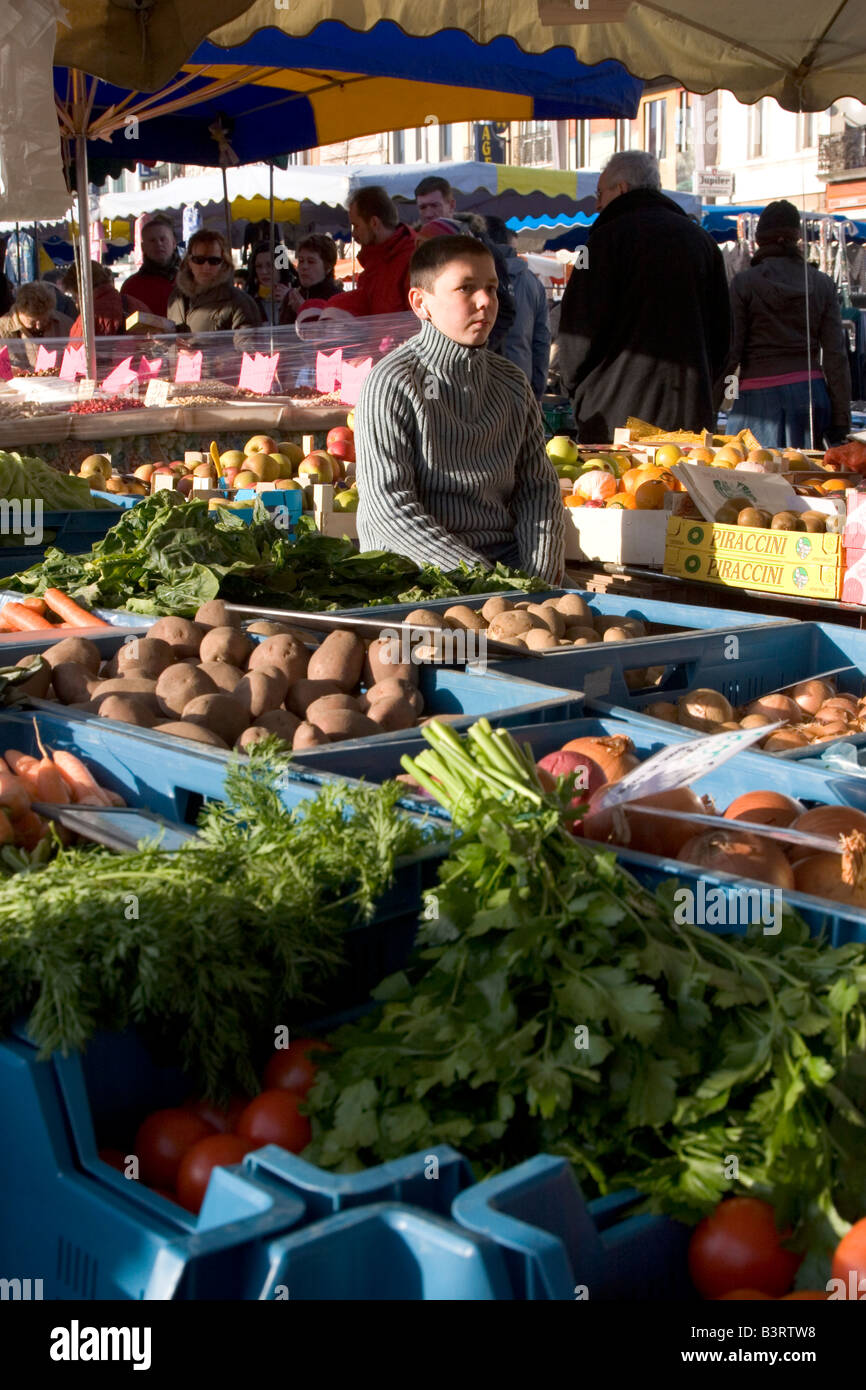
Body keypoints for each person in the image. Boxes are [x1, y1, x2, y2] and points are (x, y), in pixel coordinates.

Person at [355, 234, 565, 582]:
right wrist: (485, 583)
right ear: (420, 303)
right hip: (415, 575)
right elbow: (389, 512)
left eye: (492, 288)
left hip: (508, 571)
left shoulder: (512, 383)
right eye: (466, 288)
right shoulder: (391, 383)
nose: (485, 301)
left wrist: (536, 578)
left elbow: (537, 488)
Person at [557, 150, 731, 441]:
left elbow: (578, 332)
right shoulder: (703, 242)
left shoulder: (600, 243)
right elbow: (723, 338)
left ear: (622, 189)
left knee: (622, 487)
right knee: (680, 486)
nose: (598, 204)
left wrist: (573, 388)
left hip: (615, 417)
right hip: (688, 414)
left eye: (600, 193)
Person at [724, 200, 851, 448]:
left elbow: (731, 355)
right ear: (797, 239)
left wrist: (721, 399)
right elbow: (836, 357)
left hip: (756, 399)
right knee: (807, 482)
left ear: (759, 240)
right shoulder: (822, 283)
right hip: (810, 395)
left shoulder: (744, 284)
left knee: (756, 477)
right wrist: (841, 418)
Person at [485, 215, 551, 399]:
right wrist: (537, 392)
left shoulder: (474, 275)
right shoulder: (533, 282)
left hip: (480, 385)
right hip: (520, 385)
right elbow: (542, 341)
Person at [325, 187, 415, 317]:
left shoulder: (412, 258)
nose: (354, 234)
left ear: (374, 222)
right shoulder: (374, 261)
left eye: (356, 226)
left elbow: (418, 320)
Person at [167, 230, 263, 334]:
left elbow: (249, 347)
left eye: (214, 261)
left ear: (223, 263)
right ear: (189, 261)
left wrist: (198, 350)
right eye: (199, 260)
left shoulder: (240, 302)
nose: (206, 267)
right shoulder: (176, 297)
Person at [62, 262, 147, 338]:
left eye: (75, 297)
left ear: (79, 290)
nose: (76, 303)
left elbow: (76, 352)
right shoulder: (138, 304)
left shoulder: (89, 317)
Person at [121, 214, 180, 317]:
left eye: (163, 239)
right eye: (152, 241)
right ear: (143, 247)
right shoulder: (131, 287)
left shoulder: (192, 280)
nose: (158, 244)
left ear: (174, 243)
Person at [280, 234, 342, 325]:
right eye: (301, 261)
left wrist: (304, 310)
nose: (304, 267)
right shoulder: (292, 297)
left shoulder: (337, 299)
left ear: (327, 267)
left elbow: (333, 333)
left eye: (311, 262)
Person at [0, 282, 71, 356]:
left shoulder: (66, 324)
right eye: (33, 322)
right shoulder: (2, 330)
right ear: (19, 312)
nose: (38, 326)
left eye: (44, 320)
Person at [245, 240, 298, 326]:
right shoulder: (247, 299)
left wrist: (289, 302)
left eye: (270, 265)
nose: (264, 271)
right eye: (259, 266)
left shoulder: (297, 296)